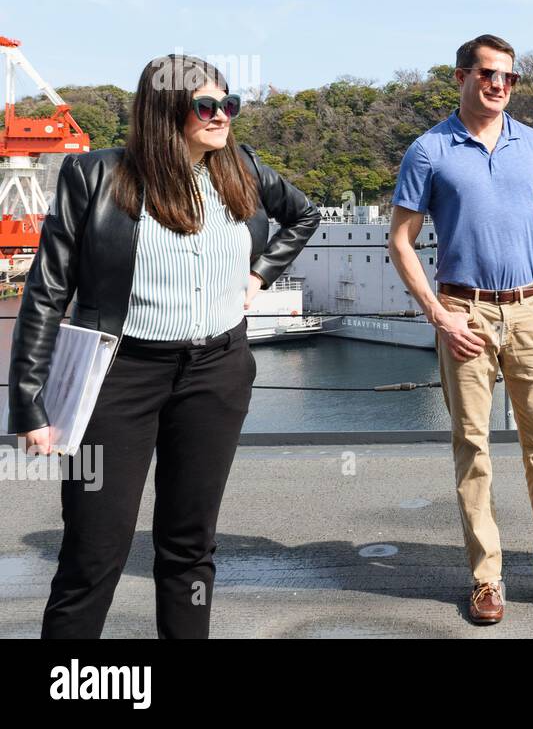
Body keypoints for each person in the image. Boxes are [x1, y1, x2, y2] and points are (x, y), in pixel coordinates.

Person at [8, 53, 320, 638]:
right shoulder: (95, 177)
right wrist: (28, 401)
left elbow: (303, 216)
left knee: (190, 547)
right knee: (94, 551)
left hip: (217, 372)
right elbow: (46, 293)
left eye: (229, 105)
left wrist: (261, 274)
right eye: (207, 106)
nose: (223, 116)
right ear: (163, 109)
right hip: (120, 376)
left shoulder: (243, 169)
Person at [388, 33, 533, 625]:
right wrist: (439, 314)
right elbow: (400, 241)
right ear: (460, 77)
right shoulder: (429, 150)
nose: (498, 85)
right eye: (486, 74)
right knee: (473, 449)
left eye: (507, 76)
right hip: (465, 313)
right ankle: (486, 580)